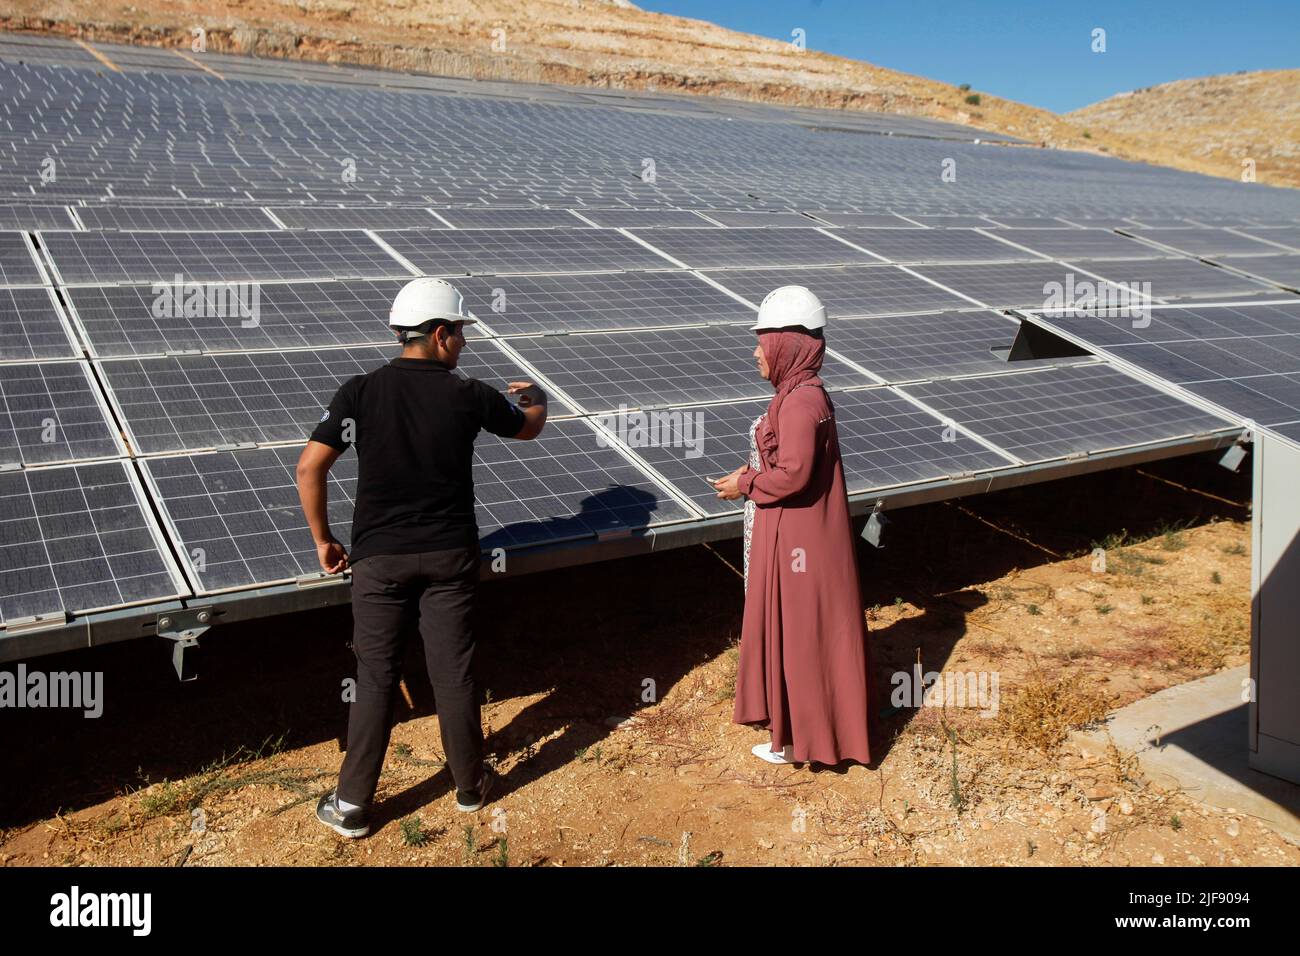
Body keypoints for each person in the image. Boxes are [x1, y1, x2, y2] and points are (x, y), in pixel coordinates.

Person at [296, 277, 548, 838]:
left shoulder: (359, 392)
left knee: (376, 676)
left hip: (379, 561)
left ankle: (353, 804)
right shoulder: (469, 394)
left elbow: (310, 467)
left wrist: (324, 539)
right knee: (453, 672)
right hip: (449, 557)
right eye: (459, 333)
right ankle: (470, 785)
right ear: (439, 334)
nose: (462, 344)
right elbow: (528, 428)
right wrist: (536, 400)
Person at [711, 286, 873, 767]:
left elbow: (795, 473)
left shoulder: (800, 403)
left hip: (797, 540)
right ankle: (802, 731)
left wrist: (745, 482)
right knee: (805, 632)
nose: (755, 352)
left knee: (800, 634)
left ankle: (804, 740)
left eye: (762, 342)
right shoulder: (803, 394)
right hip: (801, 535)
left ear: (787, 344)